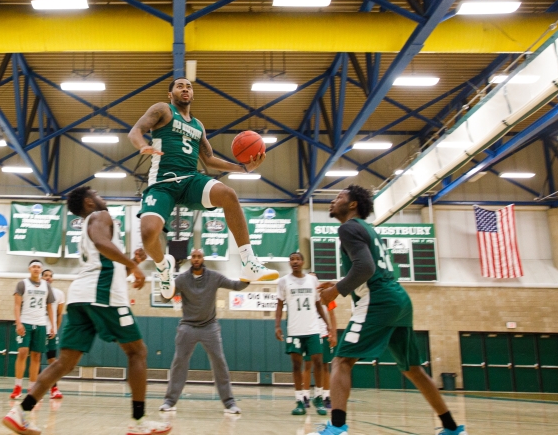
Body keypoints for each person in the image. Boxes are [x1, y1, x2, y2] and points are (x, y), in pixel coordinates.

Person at [2, 186, 170, 435]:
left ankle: (21, 412)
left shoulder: (89, 225)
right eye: (96, 194)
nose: (102, 197)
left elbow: (107, 263)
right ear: (89, 202)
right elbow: (102, 245)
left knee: (65, 362)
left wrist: (133, 263)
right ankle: (138, 421)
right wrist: (133, 266)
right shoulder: (101, 216)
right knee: (137, 352)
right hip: (101, 295)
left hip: (81, 296)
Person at [309, 186, 466, 435]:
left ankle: (337, 429)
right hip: (398, 299)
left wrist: (336, 290)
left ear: (353, 204)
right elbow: (372, 269)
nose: (333, 200)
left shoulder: (348, 228)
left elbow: (365, 269)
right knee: (412, 368)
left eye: (339, 197)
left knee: (341, 360)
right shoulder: (369, 229)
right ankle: (452, 429)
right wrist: (339, 282)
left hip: (378, 300)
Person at [128, 77, 277, 300]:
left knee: (228, 194)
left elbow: (209, 159)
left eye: (188, 86)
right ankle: (163, 267)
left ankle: (249, 262)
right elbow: (135, 131)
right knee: (148, 232)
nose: (185, 89)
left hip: (190, 180)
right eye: (180, 86)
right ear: (170, 94)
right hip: (162, 183)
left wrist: (243, 168)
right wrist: (143, 146)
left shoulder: (197, 126)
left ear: (192, 94)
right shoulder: (163, 110)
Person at [159, 248, 248, 415]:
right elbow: (165, 298)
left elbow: (236, 285)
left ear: (203, 258)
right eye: (193, 256)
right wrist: (164, 282)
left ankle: (229, 403)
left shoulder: (214, 277)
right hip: (188, 326)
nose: (196, 259)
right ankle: (169, 401)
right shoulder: (182, 279)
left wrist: (248, 277)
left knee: (219, 361)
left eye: (199, 256)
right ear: (190, 259)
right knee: (179, 362)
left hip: (209, 326)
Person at [275, 252, 334, 416]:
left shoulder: (312, 280)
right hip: (294, 330)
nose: (295, 261)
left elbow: (318, 304)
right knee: (296, 365)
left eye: (298, 259)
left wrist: (328, 325)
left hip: (312, 329)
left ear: (303, 262)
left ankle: (319, 398)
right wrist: (277, 325)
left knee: (318, 362)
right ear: (289, 263)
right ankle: (300, 401)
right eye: (292, 259)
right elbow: (279, 305)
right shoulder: (283, 281)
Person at [10, 260, 54, 399]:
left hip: (41, 323)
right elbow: (17, 305)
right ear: (29, 269)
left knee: (36, 356)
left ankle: (32, 388)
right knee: (23, 352)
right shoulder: (22, 284)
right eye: (34, 266)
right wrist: (18, 323)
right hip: (26, 322)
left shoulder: (46, 286)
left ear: (41, 270)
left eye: (38, 267)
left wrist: (52, 326)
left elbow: (49, 307)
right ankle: (17, 387)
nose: (36, 269)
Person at [42, 268, 66, 400]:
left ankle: (54, 388)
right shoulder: (37, 292)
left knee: (52, 360)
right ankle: (34, 388)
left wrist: (55, 329)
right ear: (41, 277)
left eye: (50, 276)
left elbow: (59, 314)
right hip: (38, 328)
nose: (48, 277)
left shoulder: (59, 293)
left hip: (51, 331)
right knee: (35, 358)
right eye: (45, 275)